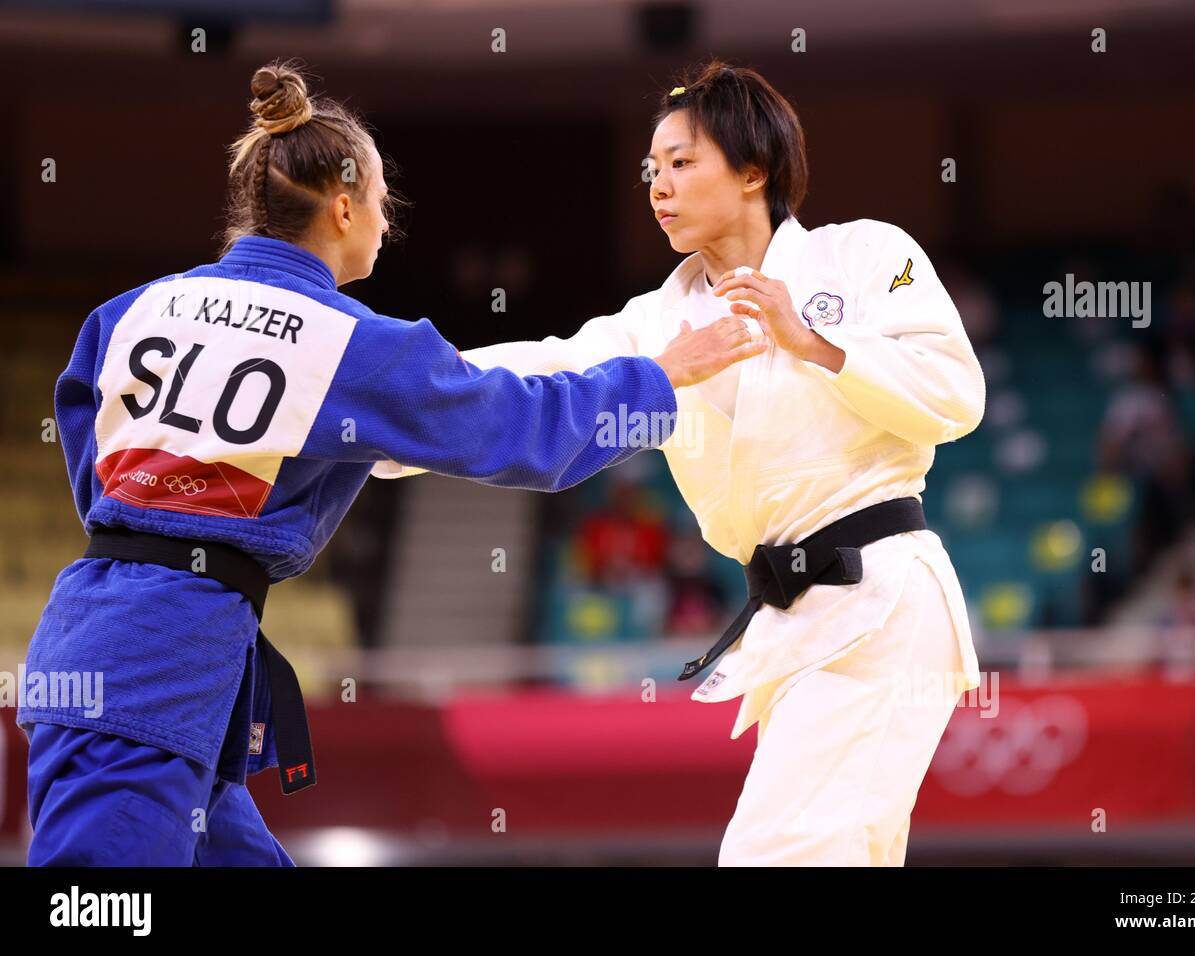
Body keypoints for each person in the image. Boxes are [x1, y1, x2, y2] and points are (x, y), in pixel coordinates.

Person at [16, 61, 763, 867]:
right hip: (148, 676)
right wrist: (661, 375)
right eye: (381, 201)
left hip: (122, 648)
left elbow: (89, 433)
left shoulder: (130, 309)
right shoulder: (349, 341)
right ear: (343, 206)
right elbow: (520, 430)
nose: (386, 221)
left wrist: (160, 519)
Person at [432, 60, 988, 865]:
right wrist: (391, 407)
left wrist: (816, 343)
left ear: (754, 168)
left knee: (778, 854)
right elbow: (541, 370)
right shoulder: (660, 323)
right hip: (794, 615)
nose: (658, 185)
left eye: (682, 163)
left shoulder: (862, 258)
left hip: (881, 599)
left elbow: (955, 394)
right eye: (651, 170)